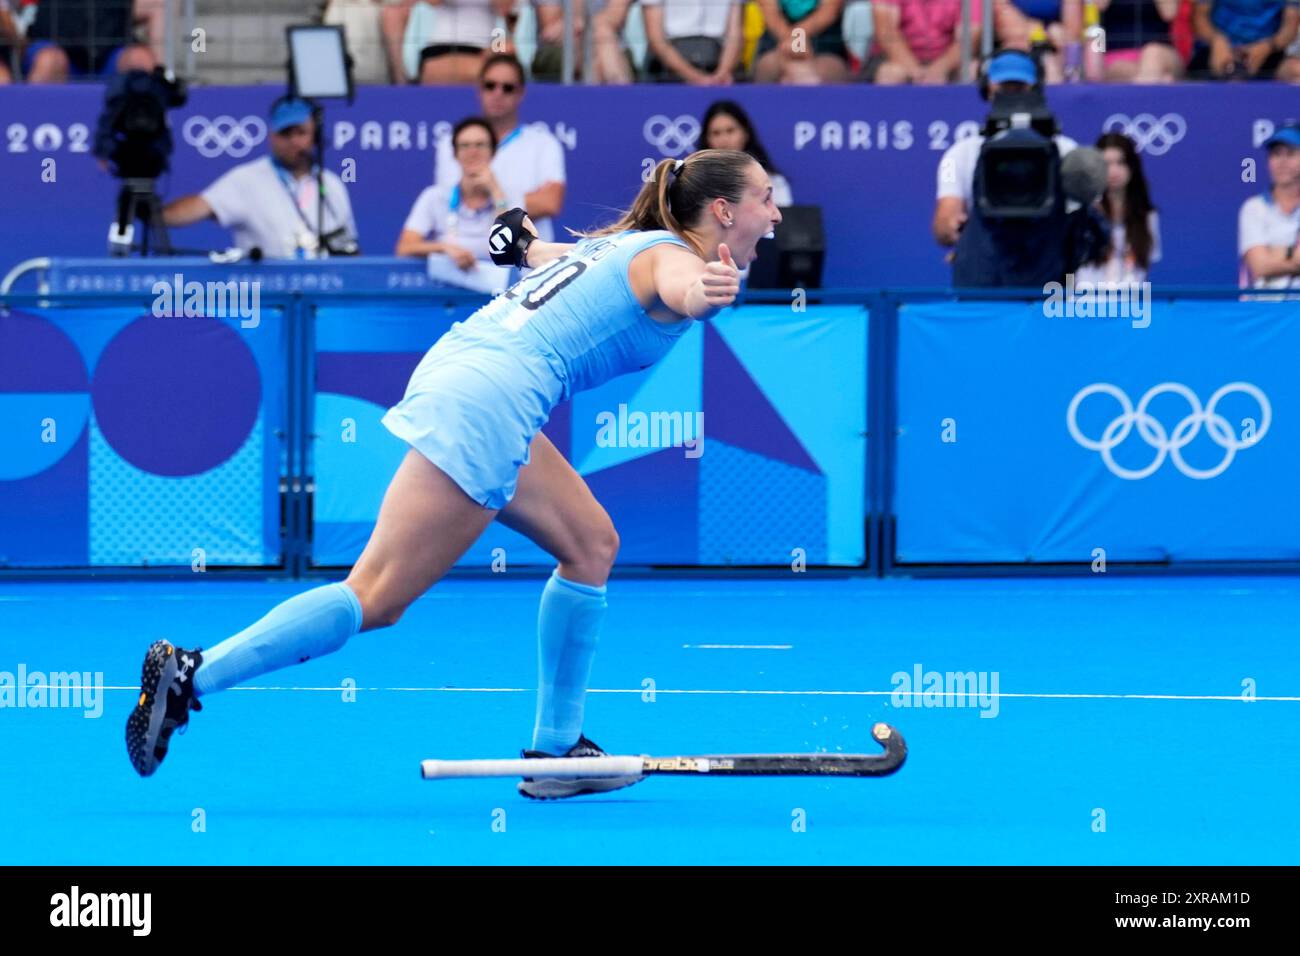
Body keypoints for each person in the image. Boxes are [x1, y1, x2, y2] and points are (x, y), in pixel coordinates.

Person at [126, 149, 782, 801]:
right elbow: (685, 290)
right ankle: (191, 676)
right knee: (377, 597)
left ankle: (556, 752)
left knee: (590, 544)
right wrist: (706, 296)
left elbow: (545, 258)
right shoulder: (676, 260)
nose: (776, 214)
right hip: (492, 397)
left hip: (474, 370)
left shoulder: (632, 244)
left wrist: (522, 241)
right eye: (764, 199)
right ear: (723, 210)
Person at [162, 96, 360, 260]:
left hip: (323, 296)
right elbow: (199, 207)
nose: (294, 141)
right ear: (271, 136)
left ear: (314, 136)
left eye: (301, 133)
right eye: (285, 133)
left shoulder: (332, 184)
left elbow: (350, 249)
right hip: (267, 297)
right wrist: (154, 214)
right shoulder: (247, 179)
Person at [932, 49, 1078, 249]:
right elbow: (945, 218)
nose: (1011, 96)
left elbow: (1085, 216)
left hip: (1048, 259)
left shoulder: (1065, 150)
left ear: (1035, 89)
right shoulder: (959, 154)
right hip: (988, 258)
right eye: (1003, 88)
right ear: (987, 90)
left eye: (1019, 87)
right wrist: (951, 226)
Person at [434, 53, 566, 241]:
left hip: (527, 263)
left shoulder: (544, 143)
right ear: (479, 89)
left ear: (521, 93)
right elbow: (447, 201)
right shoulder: (450, 142)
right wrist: (511, 200)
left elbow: (550, 203)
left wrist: (494, 194)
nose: (498, 93)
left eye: (508, 88)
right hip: (464, 261)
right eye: (490, 85)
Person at [396, 117, 516, 292]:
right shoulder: (434, 196)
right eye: (465, 146)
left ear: (493, 151)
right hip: (446, 293)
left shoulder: (510, 196)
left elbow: (512, 248)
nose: (472, 152)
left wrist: (496, 192)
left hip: (500, 295)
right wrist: (444, 248)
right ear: (455, 153)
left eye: (480, 145)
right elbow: (404, 248)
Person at [1075, 132, 1160, 286]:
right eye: (1106, 164)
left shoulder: (1147, 216)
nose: (1113, 171)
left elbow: (1149, 260)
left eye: (1120, 163)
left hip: (1131, 304)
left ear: (1132, 167)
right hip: (1086, 302)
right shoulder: (1083, 213)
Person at [1238, 120, 1300, 290]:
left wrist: (1275, 253)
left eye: (1291, 154)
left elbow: (1267, 262)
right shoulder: (1253, 208)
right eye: (1276, 154)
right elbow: (1260, 266)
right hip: (1265, 311)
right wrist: (1294, 256)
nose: (1282, 162)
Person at [864, 0, 985, 84]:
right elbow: (886, 31)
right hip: (894, 58)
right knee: (891, 74)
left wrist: (939, 69)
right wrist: (916, 72)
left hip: (949, 61)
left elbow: (969, 39)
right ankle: (887, 120)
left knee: (973, 71)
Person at [700, 100, 792, 205]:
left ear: (745, 134)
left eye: (730, 131)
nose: (724, 140)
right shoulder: (696, 183)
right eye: (716, 133)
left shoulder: (771, 182)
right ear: (706, 139)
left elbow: (783, 220)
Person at [1189, 0, 1300, 81]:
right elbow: (1200, 18)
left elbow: (1290, 27)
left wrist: (1267, 47)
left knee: (1296, 71)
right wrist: (1217, 41)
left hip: (1269, 54)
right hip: (1216, 51)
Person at [752, 0, 852, 83]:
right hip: (779, 39)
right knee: (768, 68)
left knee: (823, 74)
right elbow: (771, 14)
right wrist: (792, 43)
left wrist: (796, 40)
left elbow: (829, 11)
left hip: (824, 42)